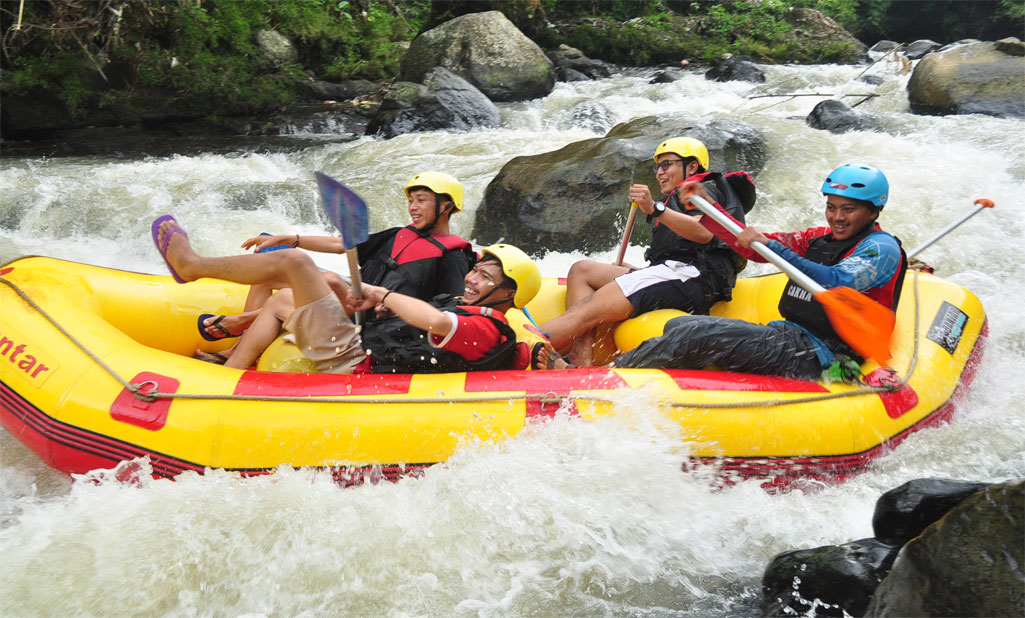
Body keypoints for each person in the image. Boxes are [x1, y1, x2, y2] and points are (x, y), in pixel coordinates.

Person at [614, 163, 908, 380]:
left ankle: (612, 378)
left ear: (873, 211)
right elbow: (756, 249)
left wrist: (773, 247)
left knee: (695, 335)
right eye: (831, 207)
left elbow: (836, 281)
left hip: (822, 356)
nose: (837, 217)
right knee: (680, 327)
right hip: (790, 336)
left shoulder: (881, 249)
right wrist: (712, 210)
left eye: (848, 209)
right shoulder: (820, 237)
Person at [154, 213, 540, 373]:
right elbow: (420, 318)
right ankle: (232, 371)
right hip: (361, 338)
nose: (472, 279)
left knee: (295, 263)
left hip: (356, 361)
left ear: (507, 295)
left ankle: (192, 266)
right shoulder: (464, 305)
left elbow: (436, 322)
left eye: (485, 277)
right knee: (285, 297)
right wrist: (366, 300)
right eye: (476, 270)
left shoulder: (488, 328)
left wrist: (381, 295)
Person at [540, 136, 754, 365]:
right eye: (657, 166)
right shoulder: (678, 200)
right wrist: (637, 271)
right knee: (582, 270)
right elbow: (675, 259)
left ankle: (518, 346)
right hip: (678, 274)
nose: (659, 173)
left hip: (694, 278)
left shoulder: (704, 190)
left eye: (667, 164)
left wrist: (655, 208)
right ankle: (580, 362)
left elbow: (704, 233)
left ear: (692, 166)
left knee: (588, 309)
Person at [198, 171, 476, 341]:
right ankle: (244, 338)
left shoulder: (453, 257)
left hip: (370, 315)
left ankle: (240, 325)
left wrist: (391, 307)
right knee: (269, 267)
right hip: (354, 292)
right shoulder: (398, 234)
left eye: (421, 200)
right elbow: (343, 245)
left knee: (326, 282)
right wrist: (287, 238)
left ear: (447, 206)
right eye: (411, 201)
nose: (413, 208)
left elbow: (449, 309)